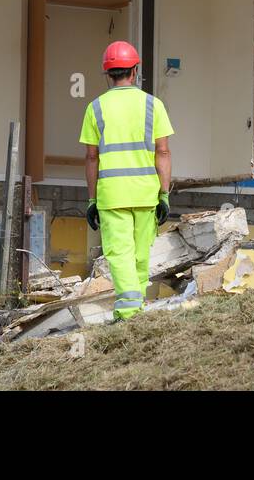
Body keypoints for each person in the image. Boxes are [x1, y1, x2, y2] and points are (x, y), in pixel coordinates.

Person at [79, 41, 174, 320]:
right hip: (146, 193)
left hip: (112, 196)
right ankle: (136, 309)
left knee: (120, 254)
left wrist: (92, 199)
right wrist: (164, 194)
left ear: (107, 74)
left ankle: (129, 312)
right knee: (141, 254)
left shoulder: (95, 108)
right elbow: (163, 152)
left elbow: (91, 158)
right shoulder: (153, 105)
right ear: (135, 70)